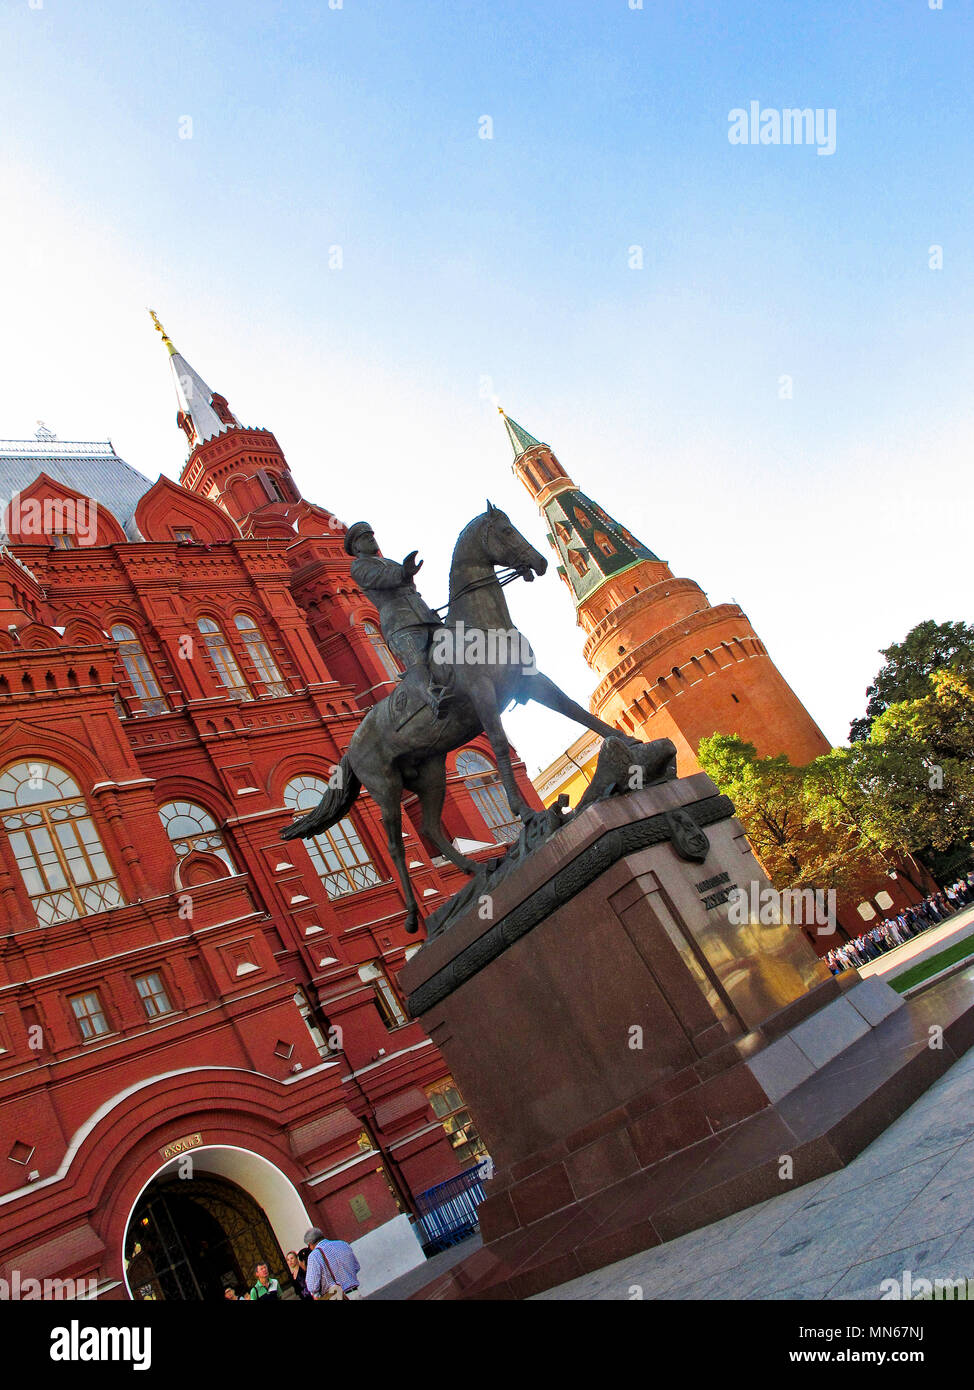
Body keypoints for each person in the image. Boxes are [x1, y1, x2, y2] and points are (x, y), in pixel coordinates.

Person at [344, 521, 446, 719]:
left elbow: (406, 585)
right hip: (401, 624)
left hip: (425, 616)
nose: (372, 539)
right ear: (356, 547)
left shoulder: (388, 561)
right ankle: (434, 700)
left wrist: (406, 573)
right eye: (366, 537)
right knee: (417, 662)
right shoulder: (359, 567)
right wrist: (404, 572)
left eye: (372, 535)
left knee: (459, 643)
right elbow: (383, 578)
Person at [303, 1227, 362, 1300]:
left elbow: (312, 1286)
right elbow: (356, 1267)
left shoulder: (314, 1256)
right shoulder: (343, 1244)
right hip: (355, 1293)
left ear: (310, 1244)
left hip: (336, 1296)